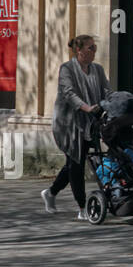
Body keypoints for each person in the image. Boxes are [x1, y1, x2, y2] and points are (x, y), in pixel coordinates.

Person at [42, 35, 111, 219]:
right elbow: (69, 93)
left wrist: (113, 103)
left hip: (89, 123)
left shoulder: (97, 69)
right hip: (68, 124)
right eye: (91, 48)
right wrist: (87, 107)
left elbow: (107, 90)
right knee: (77, 163)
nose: (94, 51)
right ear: (79, 51)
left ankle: (51, 192)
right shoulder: (67, 69)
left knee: (74, 162)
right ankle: (82, 207)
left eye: (95, 47)